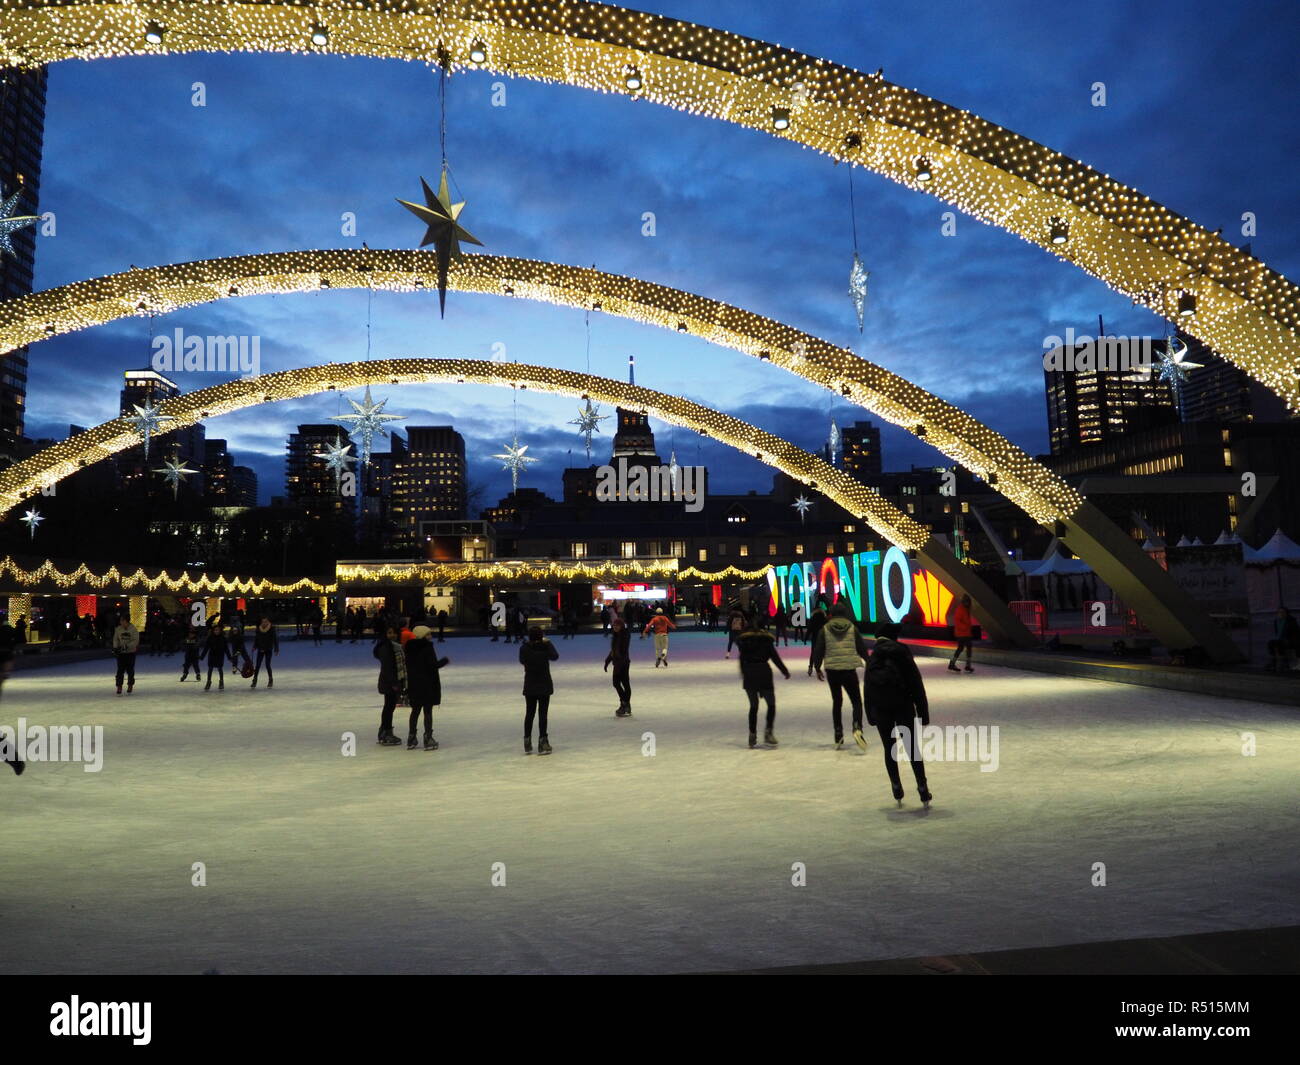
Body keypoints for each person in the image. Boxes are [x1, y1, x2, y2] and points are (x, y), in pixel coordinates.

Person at [863, 622, 932, 806]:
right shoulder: (902, 652)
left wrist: (869, 714)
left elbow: (868, 687)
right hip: (903, 706)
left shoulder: (874, 656)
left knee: (889, 748)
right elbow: (916, 682)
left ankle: (896, 786)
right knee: (912, 747)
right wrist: (923, 712)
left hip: (881, 709)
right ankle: (922, 787)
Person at [811, 601, 872, 749]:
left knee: (837, 701)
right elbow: (861, 648)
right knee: (856, 701)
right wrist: (869, 662)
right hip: (849, 669)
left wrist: (817, 667)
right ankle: (857, 727)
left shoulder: (825, 629)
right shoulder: (852, 628)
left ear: (831, 614)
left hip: (832, 670)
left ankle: (838, 733)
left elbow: (818, 649)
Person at [737, 614, 790, 748]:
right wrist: (784, 671)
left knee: (753, 706)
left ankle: (752, 734)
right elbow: (775, 657)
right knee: (771, 704)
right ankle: (768, 732)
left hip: (750, 673)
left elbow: (741, 659)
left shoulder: (744, 641)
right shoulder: (766, 640)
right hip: (764, 673)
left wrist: (743, 672)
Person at [403, 625, 450, 750]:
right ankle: (428, 738)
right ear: (422, 635)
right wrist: (444, 661)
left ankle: (411, 737)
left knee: (415, 711)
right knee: (427, 711)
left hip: (414, 684)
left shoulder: (409, 648)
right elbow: (432, 665)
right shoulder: (427, 647)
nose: (431, 636)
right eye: (428, 634)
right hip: (427, 684)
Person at [519, 626, 558, 755]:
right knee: (543, 714)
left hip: (530, 684)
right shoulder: (545, 646)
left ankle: (527, 740)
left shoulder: (524, 648)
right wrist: (548, 643)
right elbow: (555, 656)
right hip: (544, 684)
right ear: (541, 636)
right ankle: (543, 741)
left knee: (529, 713)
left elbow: (522, 660)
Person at [373, 625, 407, 746]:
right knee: (389, 707)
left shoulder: (395, 647)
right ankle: (386, 733)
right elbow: (387, 668)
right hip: (389, 682)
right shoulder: (386, 648)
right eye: (389, 633)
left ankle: (385, 731)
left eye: (394, 633)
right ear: (385, 634)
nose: (392, 635)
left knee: (389, 706)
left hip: (392, 681)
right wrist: (394, 683)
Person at [604, 615, 633, 717]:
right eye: (614, 625)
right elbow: (613, 650)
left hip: (623, 663)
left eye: (617, 625)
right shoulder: (615, 636)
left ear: (621, 626)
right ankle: (626, 704)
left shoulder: (624, 636)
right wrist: (607, 661)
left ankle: (624, 705)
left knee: (624, 684)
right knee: (617, 683)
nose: (615, 627)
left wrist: (619, 663)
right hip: (617, 663)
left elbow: (622, 651)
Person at [111, 615, 140, 696]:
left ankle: (130, 684)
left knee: (130, 670)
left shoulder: (133, 629)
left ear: (126, 621)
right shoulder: (118, 629)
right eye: (120, 620)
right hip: (121, 653)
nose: (120, 622)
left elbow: (135, 641)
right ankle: (119, 686)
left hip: (130, 653)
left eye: (122, 620)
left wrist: (127, 646)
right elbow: (115, 639)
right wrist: (116, 648)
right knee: (120, 670)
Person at [1266, 607, 1300, 671]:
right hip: (1281, 639)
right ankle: (1275, 661)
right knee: (1271, 643)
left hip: (1290, 639)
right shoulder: (1276, 621)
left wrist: (1288, 638)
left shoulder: (1291, 621)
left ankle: (1282, 663)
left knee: (1279, 644)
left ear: (1286, 613)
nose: (1281, 614)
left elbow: (1295, 632)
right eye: (1279, 612)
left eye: (1282, 612)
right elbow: (1278, 632)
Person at [948, 594, 975, 673]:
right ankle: (965, 665)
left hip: (965, 633)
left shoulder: (965, 609)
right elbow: (957, 621)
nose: (968, 603)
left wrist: (968, 629)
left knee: (963, 648)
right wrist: (965, 627)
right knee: (964, 648)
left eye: (968, 602)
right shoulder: (961, 609)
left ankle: (954, 663)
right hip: (962, 633)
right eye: (966, 602)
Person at [251, 617, 279, 688]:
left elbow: (275, 639)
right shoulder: (258, 629)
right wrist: (254, 646)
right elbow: (256, 639)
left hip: (268, 649)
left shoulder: (271, 629)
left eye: (265, 621)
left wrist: (276, 649)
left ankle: (270, 680)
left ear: (268, 622)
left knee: (267, 665)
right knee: (257, 665)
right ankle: (254, 680)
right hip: (260, 649)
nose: (264, 623)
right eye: (263, 621)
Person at [203, 620, 228, 691]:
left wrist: (229, 657)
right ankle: (208, 682)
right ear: (213, 631)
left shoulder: (223, 638)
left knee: (220, 669)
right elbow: (206, 648)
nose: (216, 631)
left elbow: (226, 649)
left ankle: (221, 682)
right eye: (215, 630)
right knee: (210, 669)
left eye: (218, 630)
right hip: (212, 656)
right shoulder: (210, 638)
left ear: (220, 631)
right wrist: (202, 656)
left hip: (220, 656)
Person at [805, 605, 828, 673]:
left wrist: (806, 637)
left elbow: (809, 628)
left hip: (815, 637)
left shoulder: (813, 618)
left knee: (813, 653)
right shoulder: (824, 618)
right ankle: (821, 668)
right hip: (823, 637)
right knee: (823, 653)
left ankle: (810, 667)